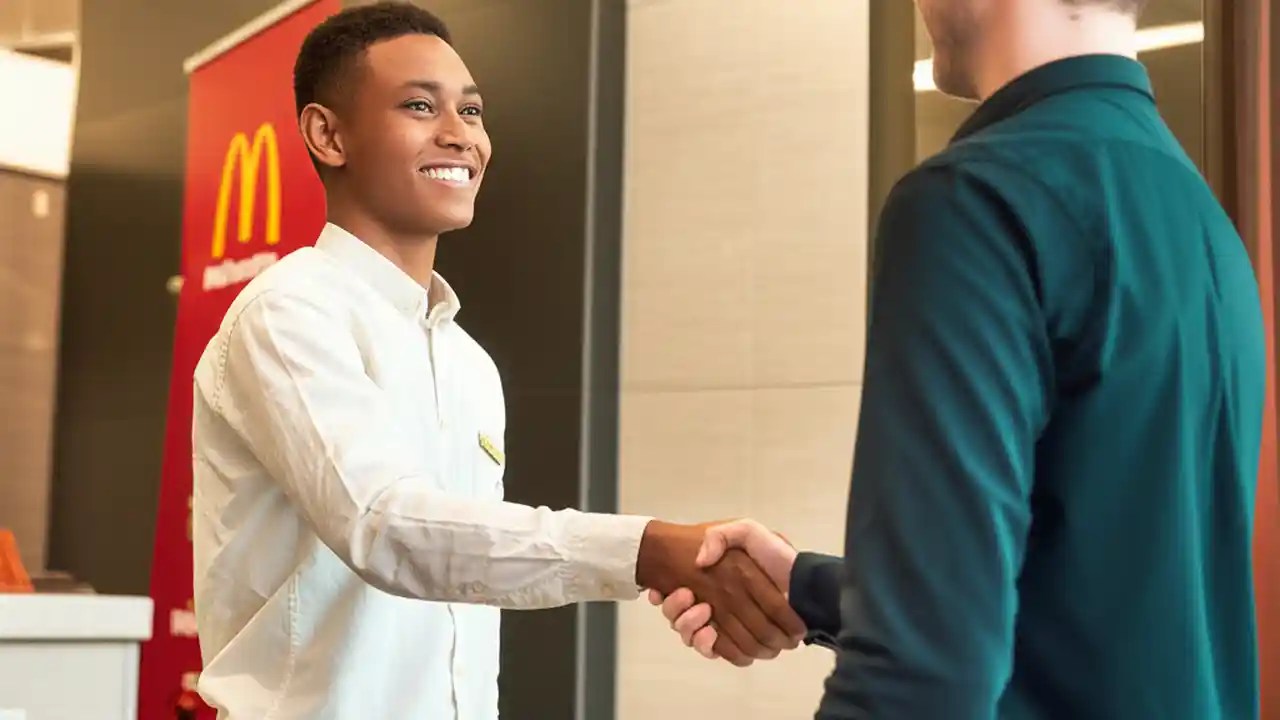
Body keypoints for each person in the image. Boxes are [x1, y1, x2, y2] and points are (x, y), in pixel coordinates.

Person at [653, 0, 1266, 717]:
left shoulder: (974, 202)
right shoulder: (1202, 221)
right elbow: (1105, 596)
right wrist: (809, 586)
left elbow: (919, 684)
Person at [189, 4, 803, 719]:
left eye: (472, 111)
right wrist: (648, 551)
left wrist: (689, 576)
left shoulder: (468, 362)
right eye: (419, 106)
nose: (460, 135)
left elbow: (464, 563)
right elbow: (389, 530)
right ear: (328, 134)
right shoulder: (289, 314)